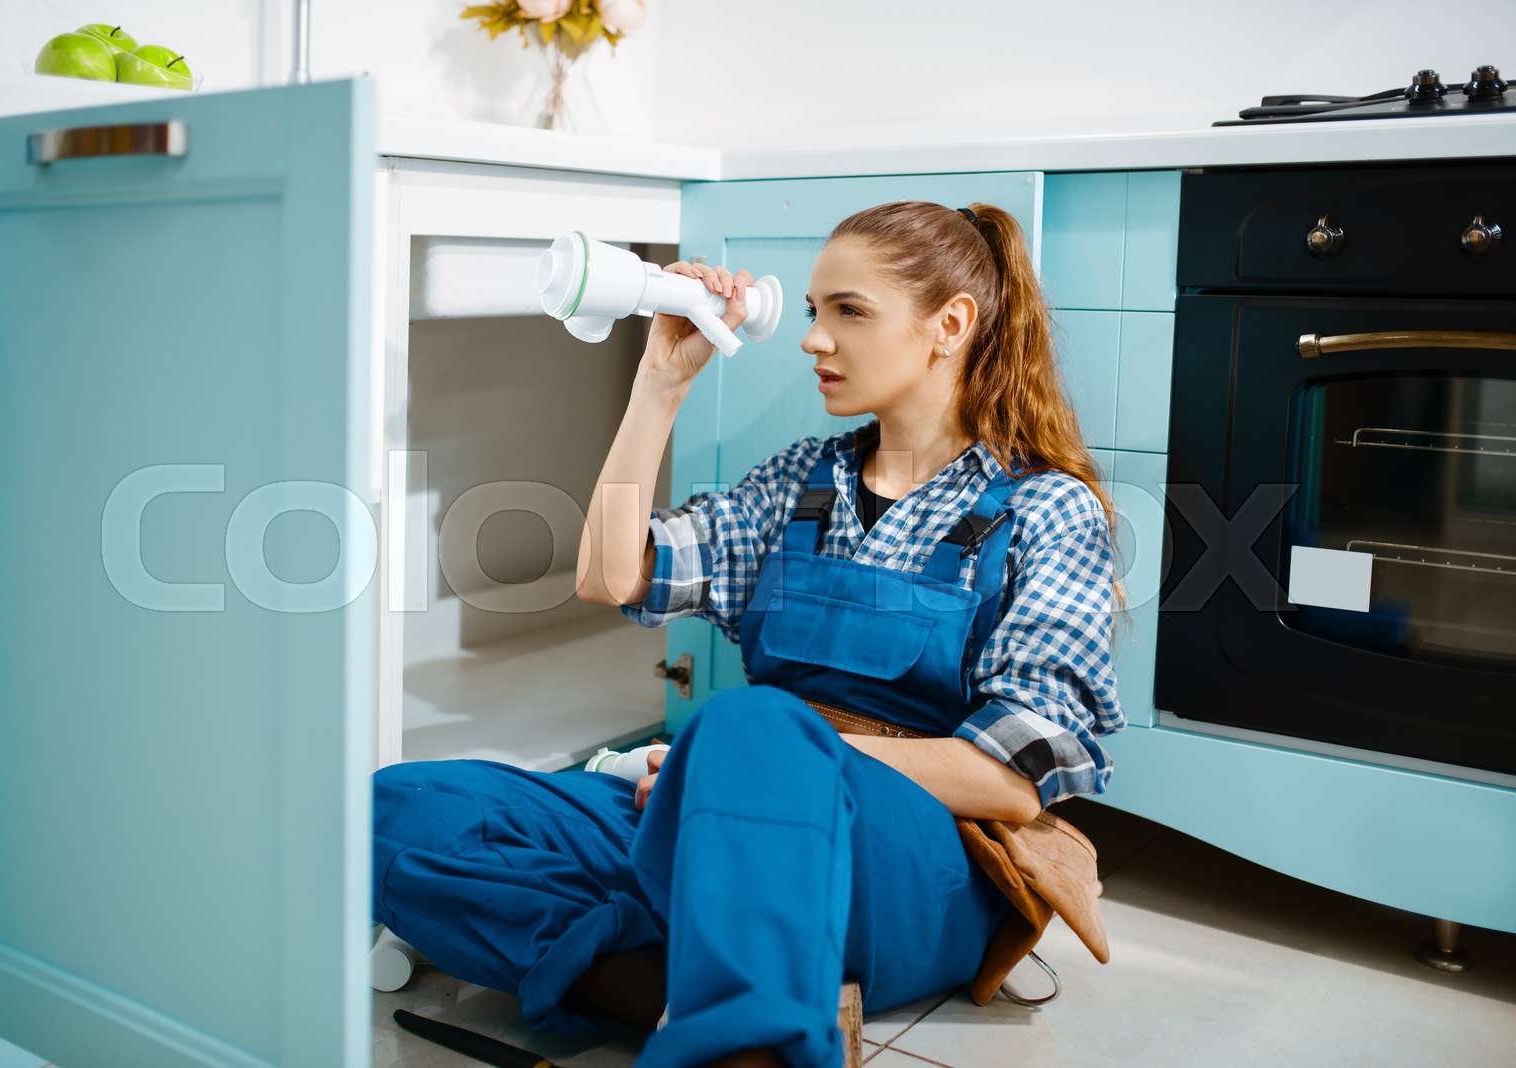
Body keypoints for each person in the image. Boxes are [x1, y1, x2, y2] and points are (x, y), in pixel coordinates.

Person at [372, 200, 1127, 1068]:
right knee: (403, 807)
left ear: (949, 325)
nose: (814, 339)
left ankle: (735, 1039)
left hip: (918, 863)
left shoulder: (1043, 508)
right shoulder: (803, 482)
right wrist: (659, 384)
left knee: (748, 723)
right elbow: (610, 575)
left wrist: (746, 760)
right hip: (730, 805)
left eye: (849, 311)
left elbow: (1009, 783)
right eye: (813, 312)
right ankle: (712, 992)